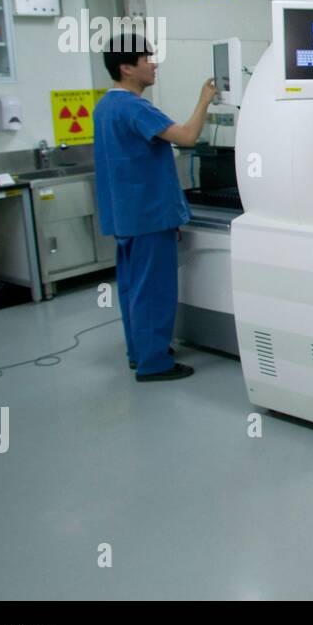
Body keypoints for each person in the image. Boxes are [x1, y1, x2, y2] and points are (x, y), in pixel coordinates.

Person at [94, 32, 216, 381]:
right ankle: (154, 363)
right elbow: (187, 137)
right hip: (149, 214)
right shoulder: (134, 107)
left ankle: (140, 351)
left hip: (126, 215)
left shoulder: (106, 106)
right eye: (147, 58)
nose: (154, 63)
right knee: (154, 290)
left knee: (134, 287)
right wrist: (204, 99)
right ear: (126, 67)